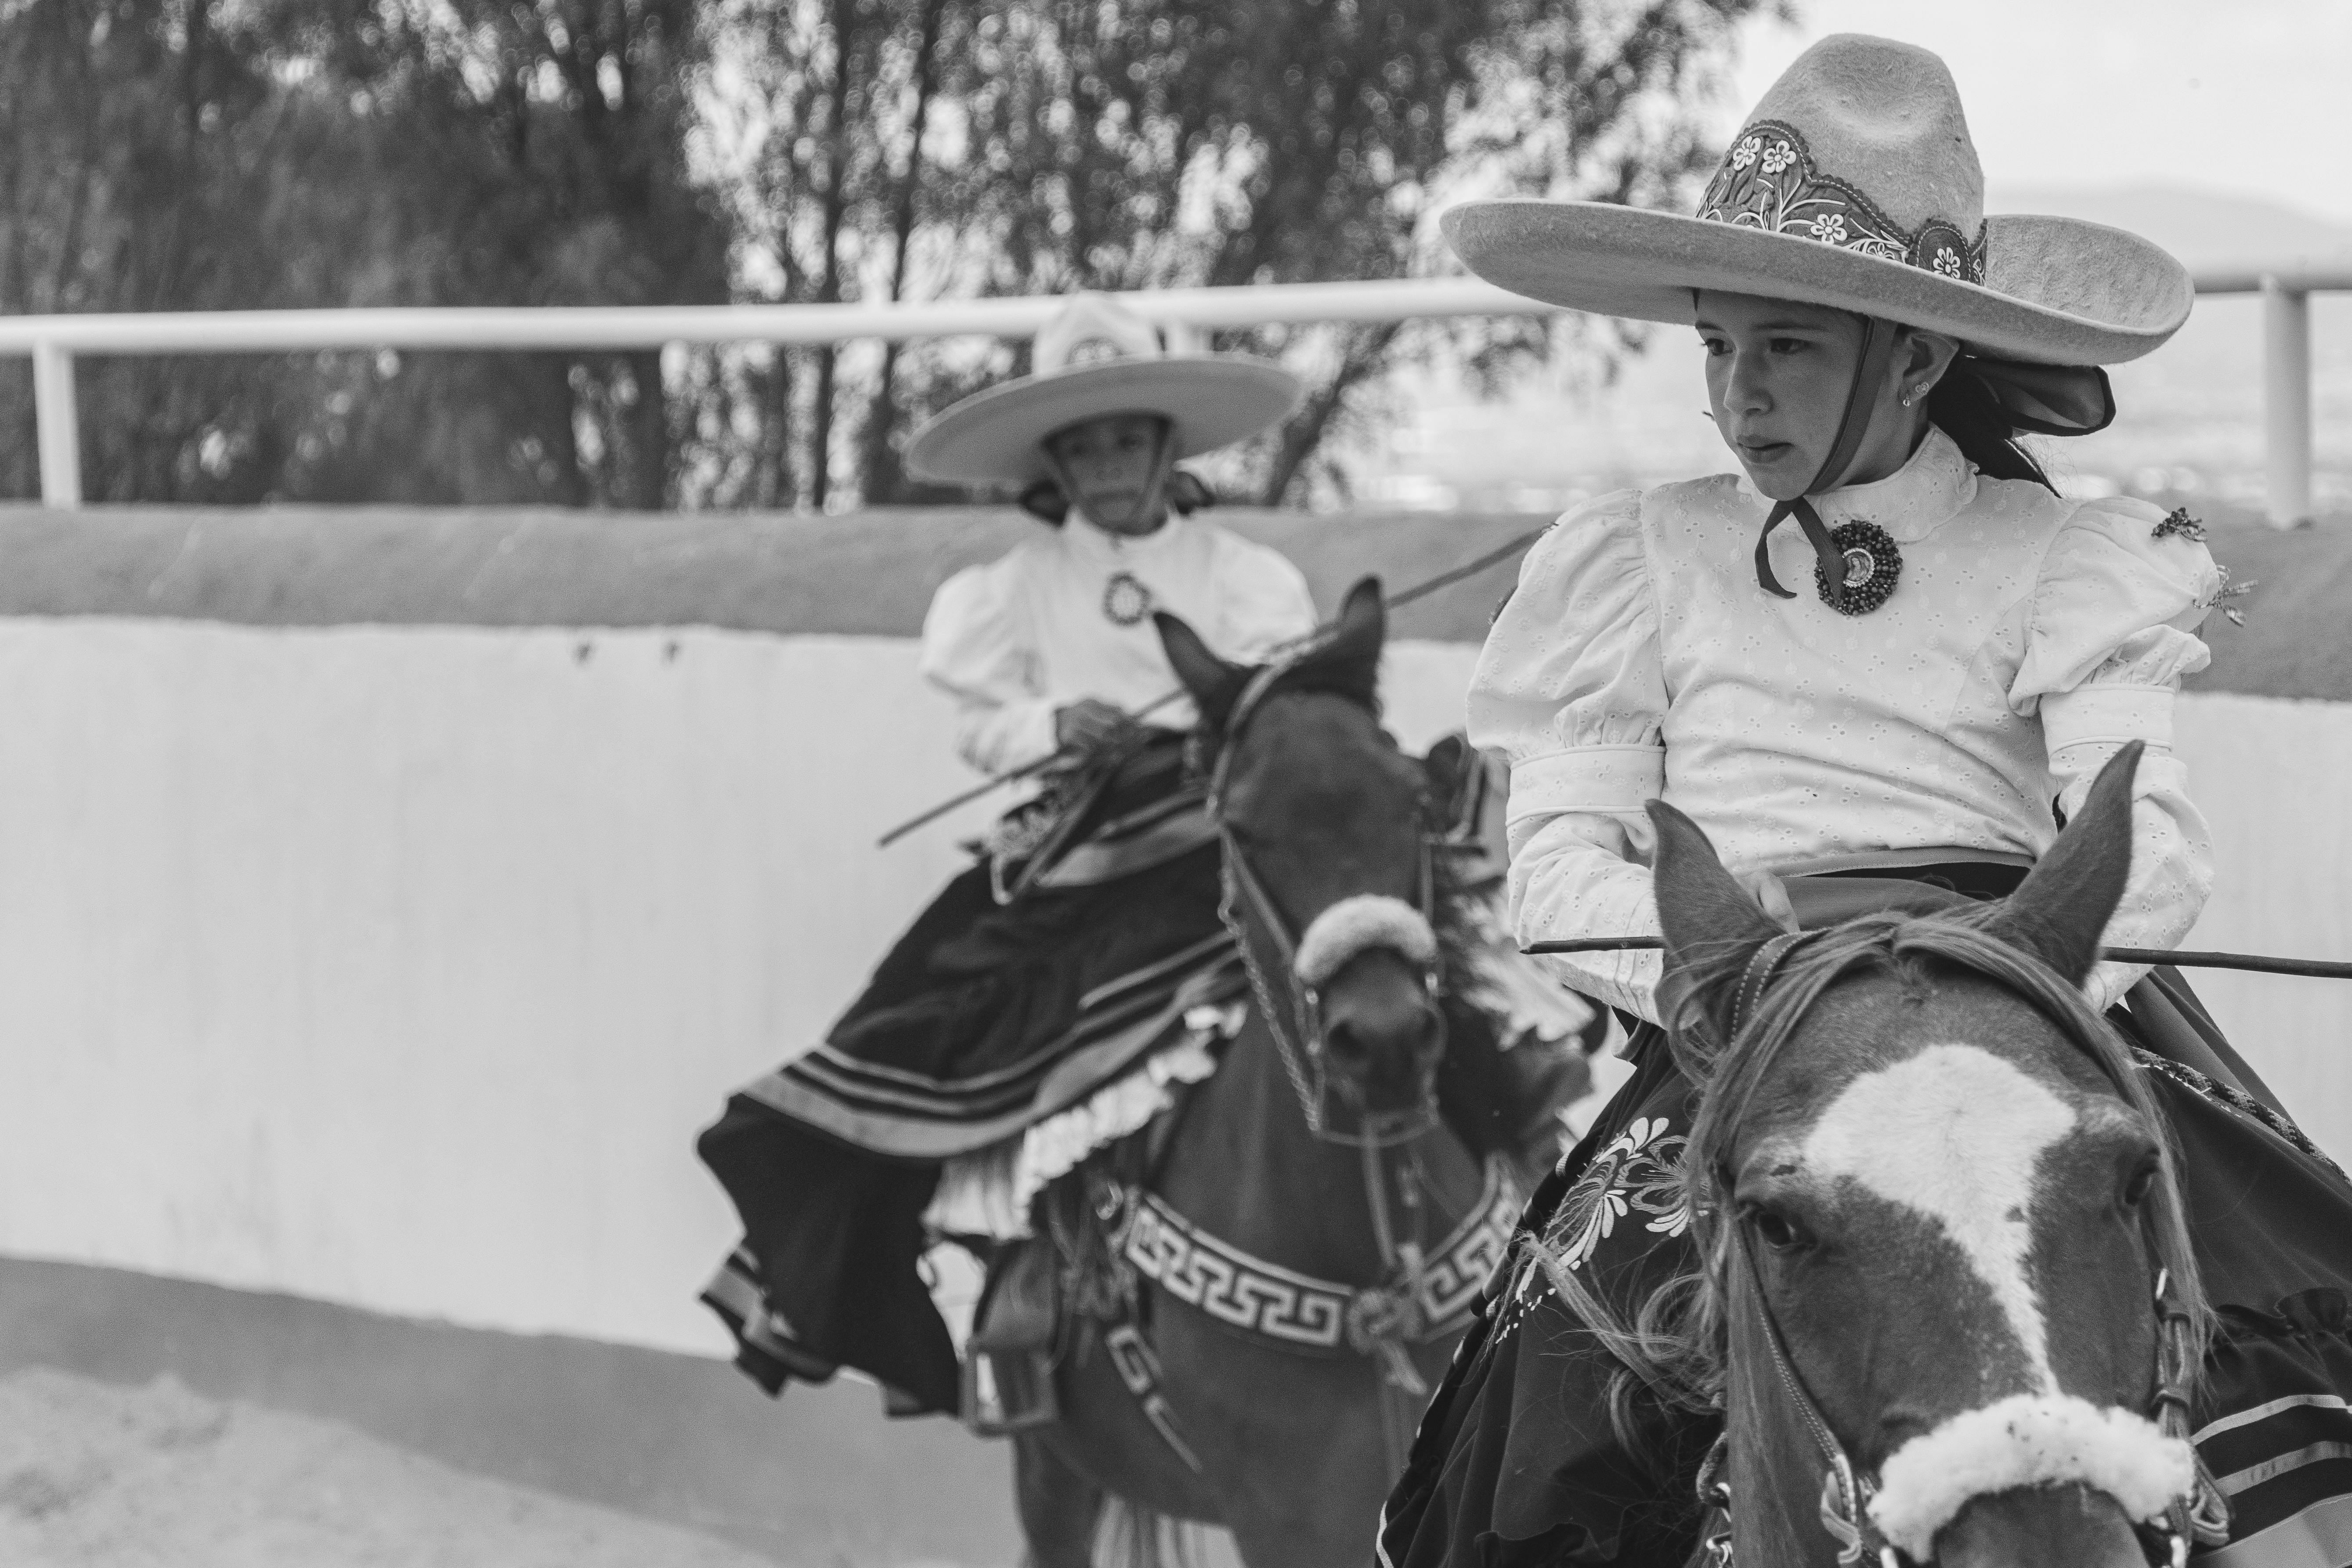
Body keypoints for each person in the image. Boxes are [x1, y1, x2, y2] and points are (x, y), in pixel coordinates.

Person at [1376, 34, 2352, 1566]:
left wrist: (1986, 997)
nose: (1737, 394)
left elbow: (2144, 851)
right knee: (1543, 1427)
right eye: (1717, 346)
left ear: (1909, 355)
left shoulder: (2068, 555)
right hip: (1735, 1027)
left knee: (2283, 1370)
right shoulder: (1625, 560)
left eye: (1786, 349)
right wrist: (1753, 995)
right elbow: (1554, 877)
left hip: (2021, 994)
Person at [694, 294, 1323, 1418]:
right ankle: (882, 1292)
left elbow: (1285, 710)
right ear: (1054, 464)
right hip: (1069, 856)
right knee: (903, 1022)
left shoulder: (1241, 578)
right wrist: (1052, 729)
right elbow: (983, 725)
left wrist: (1207, 727)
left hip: (1205, 854)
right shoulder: (1015, 587)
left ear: (1162, 444)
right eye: (1079, 448)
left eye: (1124, 439)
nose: (1105, 466)